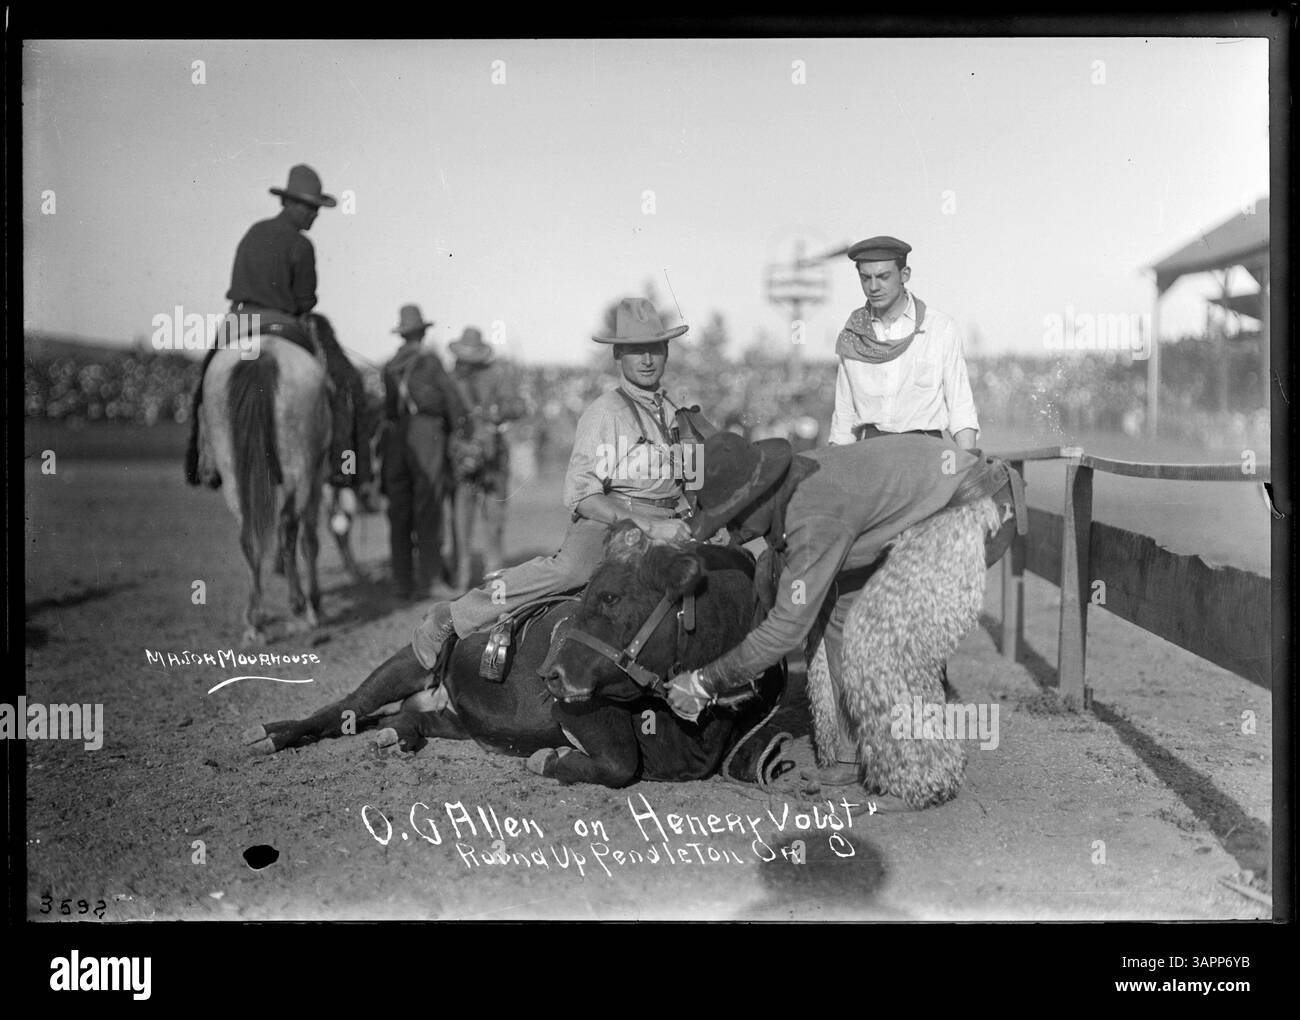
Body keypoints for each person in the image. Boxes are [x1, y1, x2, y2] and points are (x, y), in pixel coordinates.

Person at [663, 430, 1020, 784]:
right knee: (841, 619)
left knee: (890, 648)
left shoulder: (813, 517)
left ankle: (915, 776)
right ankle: (853, 754)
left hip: (973, 510)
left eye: (734, 516)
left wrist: (703, 682)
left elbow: (784, 630)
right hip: (933, 504)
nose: (731, 528)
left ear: (759, 496)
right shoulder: (800, 477)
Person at [409, 296, 713, 675]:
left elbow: (695, 478)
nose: (647, 359)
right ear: (618, 354)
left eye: (655, 348)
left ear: (666, 351)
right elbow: (584, 495)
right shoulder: (606, 413)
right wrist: (650, 526)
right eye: (636, 350)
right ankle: (452, 615)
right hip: (613, 522)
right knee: (570, 571)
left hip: (670, 519)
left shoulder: (676, 413)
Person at [185, 163, 373, 500]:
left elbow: (236, 284)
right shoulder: (302, 246)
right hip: (285, 324)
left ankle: (204, 460)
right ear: (294, 205)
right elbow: (304, 301)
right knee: (344, 384)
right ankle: (344, 467)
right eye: (312, 209)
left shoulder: (252, 232)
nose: (315, 216)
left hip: (238, 324)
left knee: (204, 386)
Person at [828, 236, 980, 450]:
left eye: (883, 277)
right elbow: (844, 417)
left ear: (904, 275)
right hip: (870, 453)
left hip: (926, 452)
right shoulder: (853, 333)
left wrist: (968, 466)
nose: (873, 287)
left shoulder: (940, 328)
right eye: (865, 278)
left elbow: (960, 408)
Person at [381, 304, 471, 601]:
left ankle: (401, 582)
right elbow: (452, 400)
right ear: (422, 332)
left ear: (403, 334)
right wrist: (462, 430)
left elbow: (388, 409)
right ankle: (430, 580)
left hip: (397, 438)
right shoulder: (430, 361)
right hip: (427, 434)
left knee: (399, 509)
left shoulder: (390, 366)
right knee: (429, 504)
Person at [447, 326, 528, 589]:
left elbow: (518, 406)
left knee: (493, 521)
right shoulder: (451, 379)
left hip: (493, 459)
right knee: (462, 521)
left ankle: (493, 575)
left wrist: (495, 412)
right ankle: (462, 575)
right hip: (464, 459)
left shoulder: (497, 375)